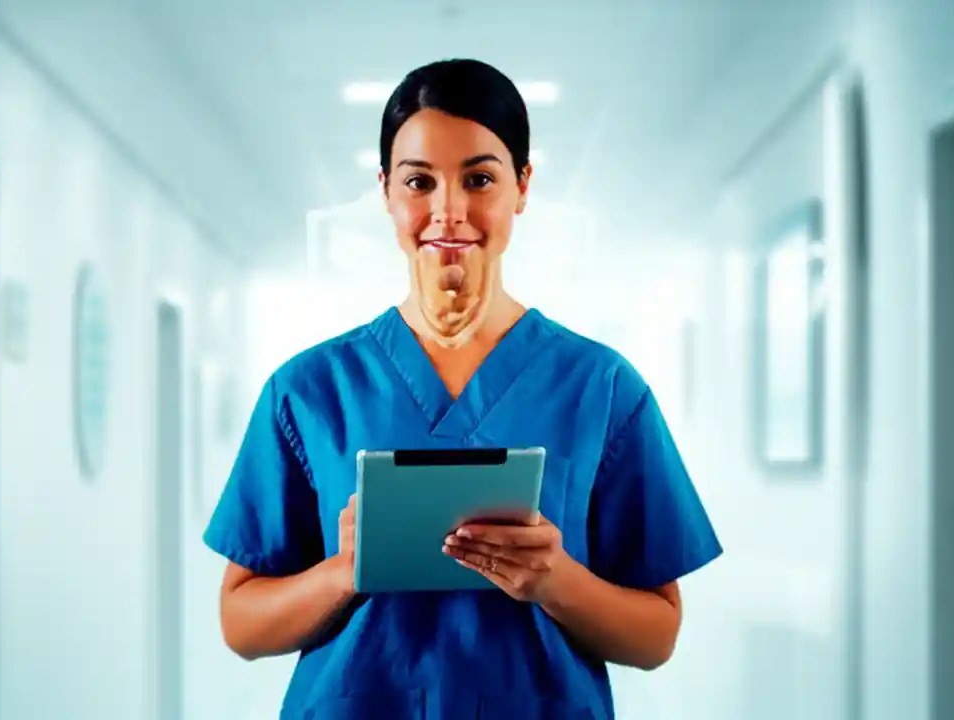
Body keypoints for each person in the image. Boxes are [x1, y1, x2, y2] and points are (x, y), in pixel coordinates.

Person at [204, 58, 722, 720]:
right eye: (419, 181)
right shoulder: (307, 391)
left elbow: (657, 636)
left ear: (523, 187)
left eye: (479, 178)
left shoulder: (602, 388)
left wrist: (556, 581)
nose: (448, 211)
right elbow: (240, 624)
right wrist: (344, 571)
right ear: (386, 190)